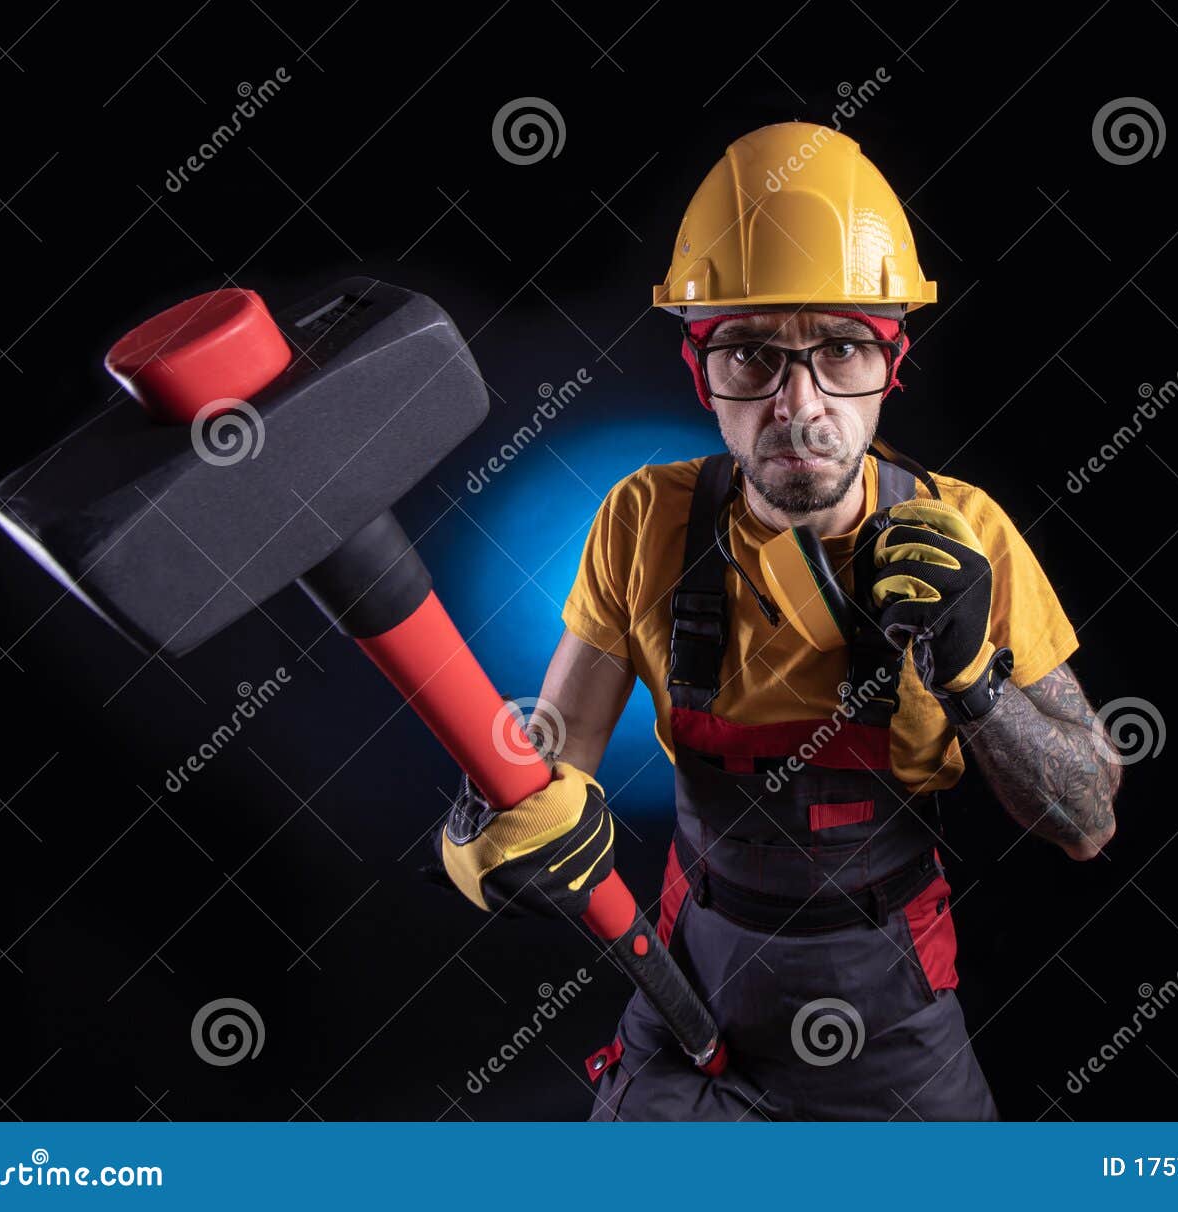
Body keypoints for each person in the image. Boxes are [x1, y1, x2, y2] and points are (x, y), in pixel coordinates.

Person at [439, 122, 1121, 1120]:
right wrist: (489, 811)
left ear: (892, 364)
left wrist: (972, 674)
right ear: (698, 370)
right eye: (750, 354)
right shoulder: (646, 522)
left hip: (894, 1025)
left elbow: (1088, 820)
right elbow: (557, 752)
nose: (798, 403)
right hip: (687, 992)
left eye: (842, 347)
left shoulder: (968, 531)